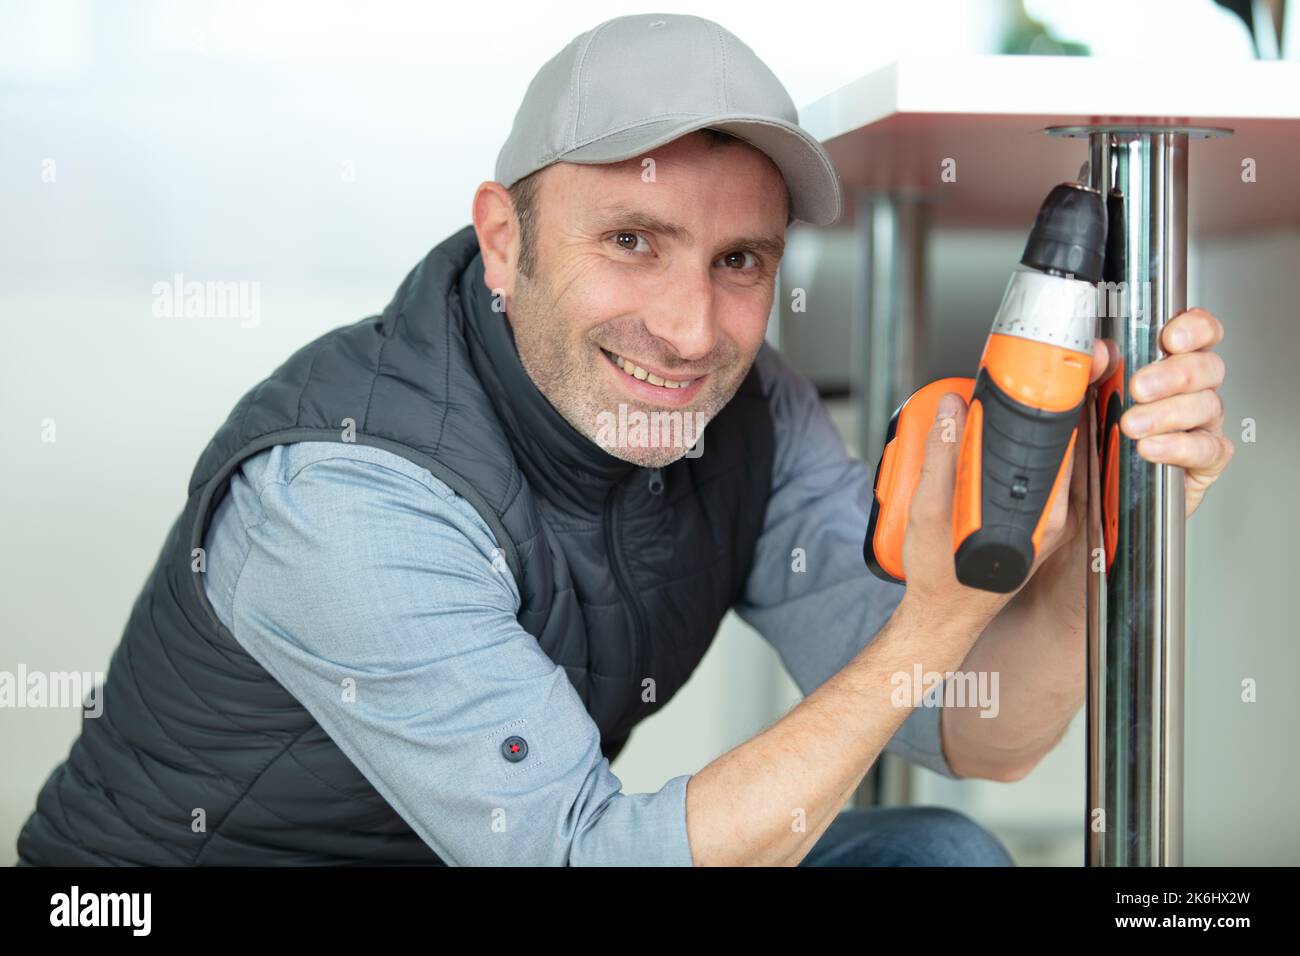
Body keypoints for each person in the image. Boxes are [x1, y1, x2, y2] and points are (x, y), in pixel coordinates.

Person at [15, 13, 1233, 867]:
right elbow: (584, 857)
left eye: (738, 262)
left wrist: (1068, 554)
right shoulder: (344, 488)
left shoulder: (749, 415)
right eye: (632, 241)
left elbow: (977, 728)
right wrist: (941, 610)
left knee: (931, 850)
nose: (689, 328)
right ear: (504, 238)